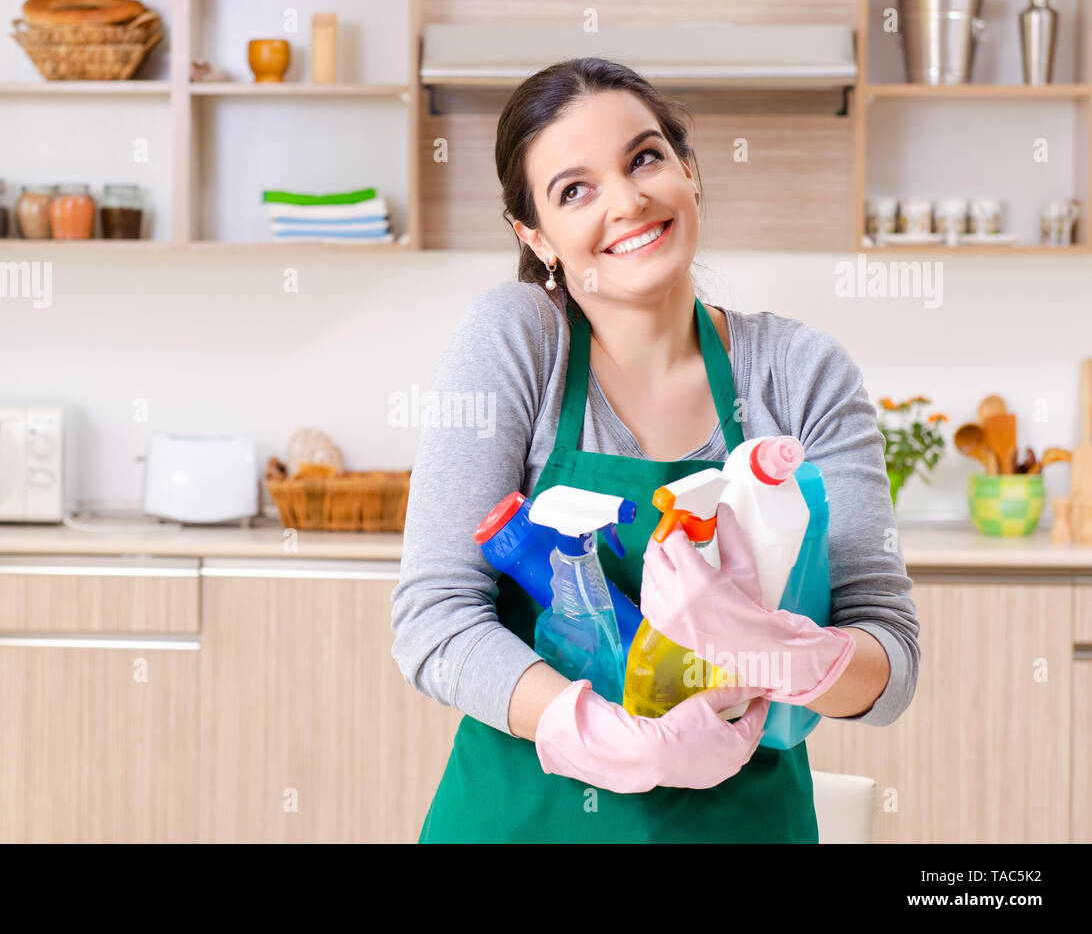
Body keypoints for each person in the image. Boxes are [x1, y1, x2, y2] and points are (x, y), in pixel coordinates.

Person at [390, 57, 920, 843]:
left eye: (645, 158)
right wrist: (588, 728)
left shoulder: (799, 374)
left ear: (689, 171)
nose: (629, 200)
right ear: (534, 235)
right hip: (519, 818)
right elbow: (432, 619)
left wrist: (792, 656)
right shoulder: (518, 340)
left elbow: (891, 660)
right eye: (575, 190)